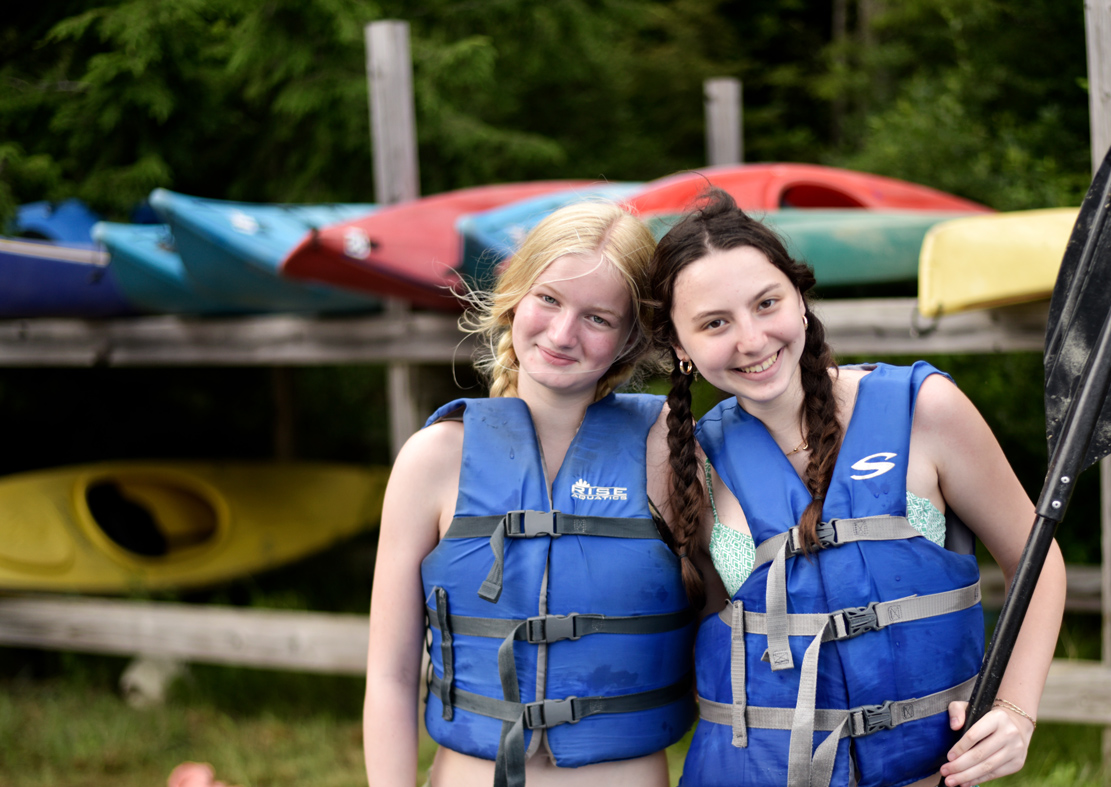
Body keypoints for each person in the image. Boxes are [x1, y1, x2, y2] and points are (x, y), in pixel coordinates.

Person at [649, 189, 1066, 787]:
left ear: (800, 298)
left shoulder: (926, 409)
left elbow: (1037, 561)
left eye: (767, 303)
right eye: (714, 323)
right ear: (679, 348)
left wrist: (1016, 712)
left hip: (922, 770)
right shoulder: (687, 461)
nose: (751, 339)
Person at [364, 201, 696, 787]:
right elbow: (389, 675)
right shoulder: (433, 459)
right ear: (515, 297)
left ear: (630, 335)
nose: (563, 334)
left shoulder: (672, 453)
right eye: (549, 299)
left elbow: (741, 609)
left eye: (597, 317)